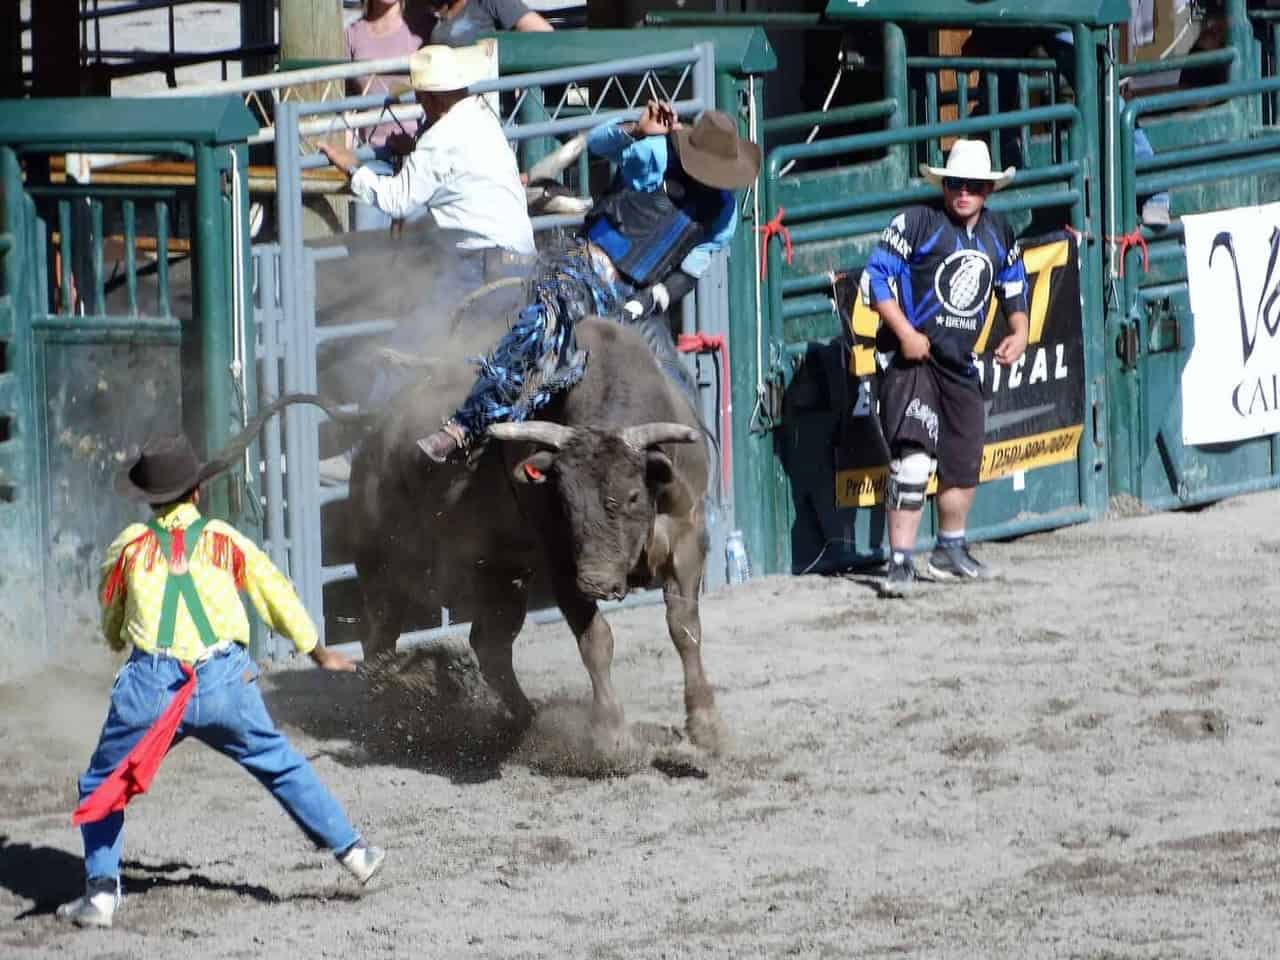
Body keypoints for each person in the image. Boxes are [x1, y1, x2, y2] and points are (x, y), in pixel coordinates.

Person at [57, 434, 385, 929]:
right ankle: (354, 852)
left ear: (149, 498)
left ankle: (101, 895)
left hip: (152, 686)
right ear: (196, 493)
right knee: (281, 765)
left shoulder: (129, 547)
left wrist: (113, 642)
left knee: (104, 784)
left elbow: (114, 611)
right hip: (224, 681)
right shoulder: (225, 540)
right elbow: (274, 591)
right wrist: (315, 650)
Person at [416, 100, 760, 463]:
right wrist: (636, 130)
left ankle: (687, 501)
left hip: (637, 301)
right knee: (541, 329)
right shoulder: (655, 153)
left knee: (676, 386)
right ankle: (461, 427)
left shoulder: (724, 212)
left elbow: (689, 272)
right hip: (583, 270)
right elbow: (598, 143)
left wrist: (649, 300)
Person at [860, 139, 1029, 597]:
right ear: (945, 184)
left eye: (973, 185)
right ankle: (899, 561)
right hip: (911, 357)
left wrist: (1020, 330)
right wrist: (905, 332)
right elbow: (874, 278)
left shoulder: (999, 234)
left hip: (962, 363)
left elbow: (1014, 288)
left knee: (962, 460)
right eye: (956, 183)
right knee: (913, 458)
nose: (963, 192)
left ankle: (949, 550)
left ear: (988, 190)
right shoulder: (918, 222)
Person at [319, 43, 535, 261]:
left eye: (420, 98)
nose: (420, 104)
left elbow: (396, 200)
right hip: (520, 255)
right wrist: (416, 150)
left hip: (481, 262)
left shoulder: (439, 139)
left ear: (431, 98)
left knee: (421, 279)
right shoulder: (482, 119)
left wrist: (352, 167)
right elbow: (451, 161)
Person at [342, 0, 431, 231]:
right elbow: (345, 104)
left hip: (418, 154)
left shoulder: (423, 27)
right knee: (370, 250)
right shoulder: (352, 34)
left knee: (422, 252)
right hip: (372, 155)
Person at [426, 0, 552, 46]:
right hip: (444, 93)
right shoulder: (443, 8)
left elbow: (544, 33)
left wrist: (521, 78)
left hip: (484, 96)